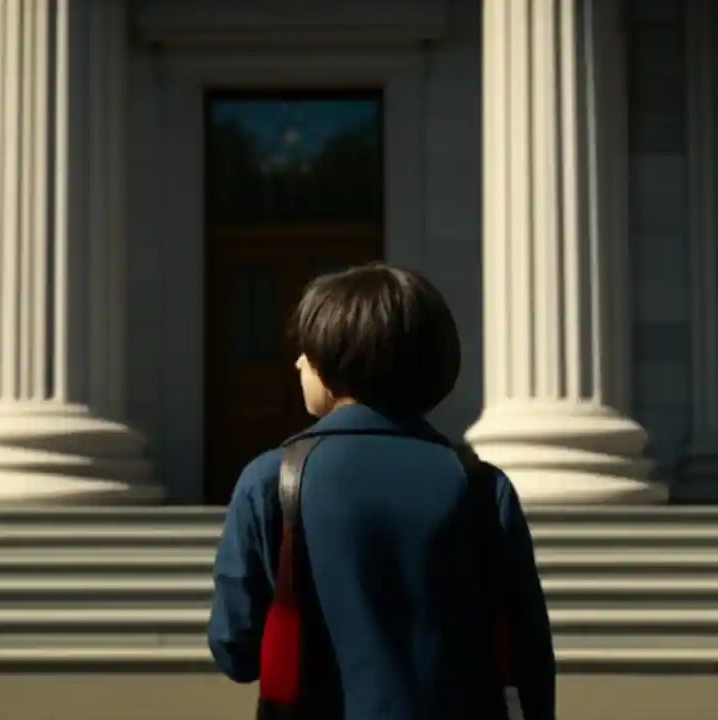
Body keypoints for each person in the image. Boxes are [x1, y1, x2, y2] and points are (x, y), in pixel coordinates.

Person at [208, 263, 555, 720]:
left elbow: (236, 648)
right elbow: (528, 656)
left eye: (306, 351)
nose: (296, 363)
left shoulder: (273, 479)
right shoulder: (482, 486)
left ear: (335, 360)